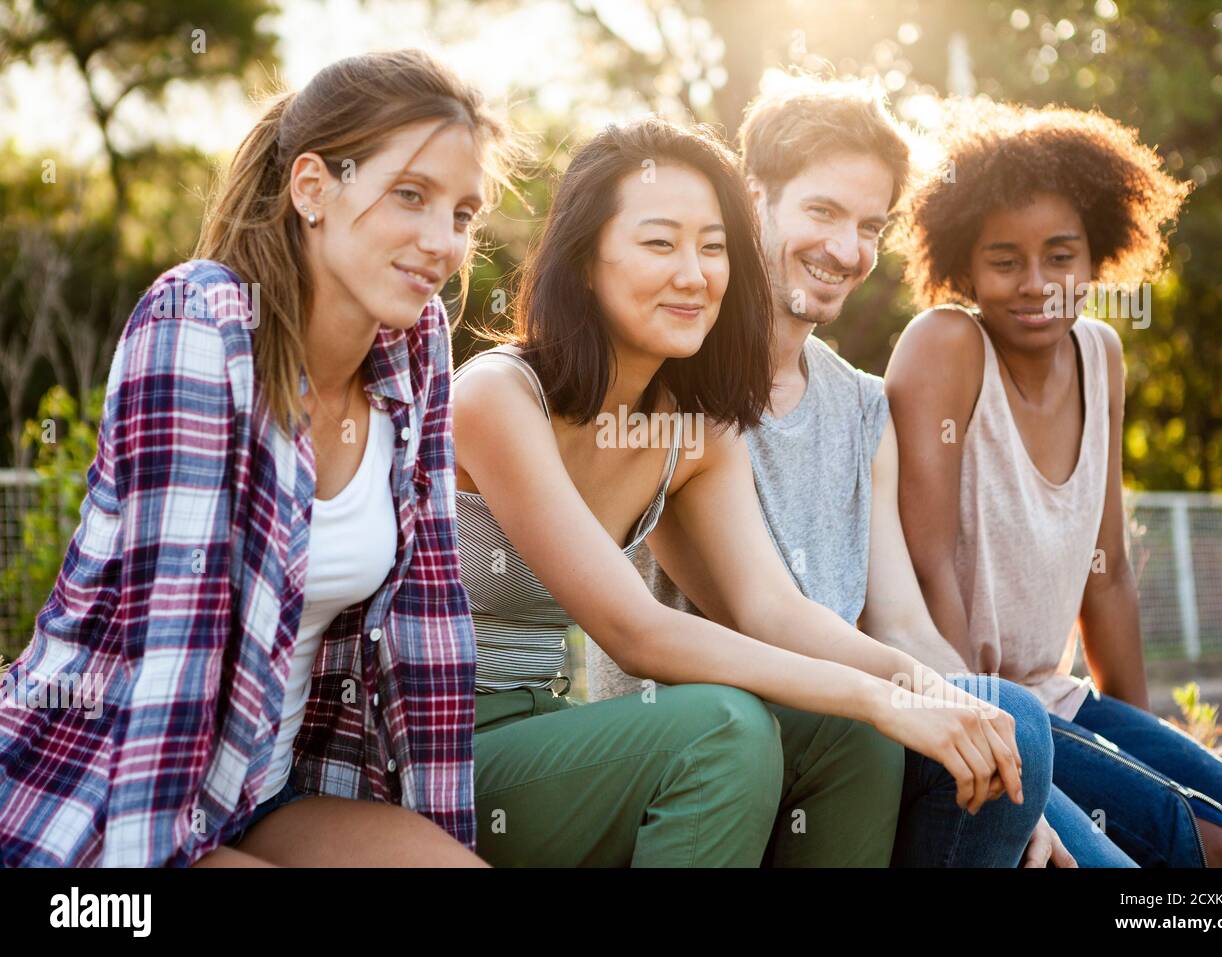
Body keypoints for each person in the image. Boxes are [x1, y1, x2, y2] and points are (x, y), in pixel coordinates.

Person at [453, 115, 1047, 868]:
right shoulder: (500, 397)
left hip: (550, 727)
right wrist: (878, 693)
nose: (694, 273)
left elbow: (773, 610)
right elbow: (636, 632)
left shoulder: (693, 432)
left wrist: (930, 692)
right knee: (724, 726)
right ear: (587, 258)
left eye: (713, 247)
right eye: (660, 242)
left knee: (853, 734)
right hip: (446, 752)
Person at [0, 49, 518, 867]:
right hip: (106, 791)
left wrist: (433, 831)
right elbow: (169, 650)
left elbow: (428, 628)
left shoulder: (416, 350)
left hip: (267, 789)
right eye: (410, 196)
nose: (441, 243)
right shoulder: (200, 324)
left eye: (462, 213)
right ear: (312, 188)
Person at [586, 73, 1092, 867]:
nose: (847, 250)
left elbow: (901, 622)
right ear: (752, 200)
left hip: (859, 747)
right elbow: (768, 614)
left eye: (869, 225)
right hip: (721, 751)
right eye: (822, 211)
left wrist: (993, 742)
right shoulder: (679, 390)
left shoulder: (862, 406)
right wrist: (953, 713)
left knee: (1024, 740)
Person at [885, 100, 1222, 867]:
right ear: (964, 266)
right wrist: (981, 714)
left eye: (1061, 255)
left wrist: (1143, 748)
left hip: (1065, 699)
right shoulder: (945, 347)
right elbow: (927, 562)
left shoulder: (1101, 354)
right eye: (1004, 260)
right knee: (1205, 850)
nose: (1036, 282)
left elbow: (1104, 575)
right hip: (977, 713)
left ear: (1099, 253)